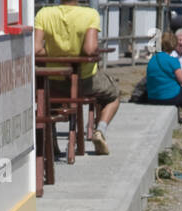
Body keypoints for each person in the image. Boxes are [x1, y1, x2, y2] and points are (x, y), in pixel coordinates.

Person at [34, 0, 119, 155]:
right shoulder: (90, 14)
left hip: (52, 81)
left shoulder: (44, 13)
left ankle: (51, 139)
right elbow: (89, 49)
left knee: (49, 100)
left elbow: (36, 48)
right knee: (113, 96)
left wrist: (55, 54)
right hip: (84, 81)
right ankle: (100, 130)